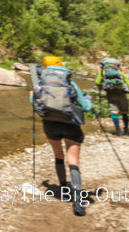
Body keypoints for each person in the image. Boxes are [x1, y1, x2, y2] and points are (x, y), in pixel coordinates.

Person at [30, 55, 94, 217]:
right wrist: (88, 98)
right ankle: (78, 202)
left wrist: (32, 95)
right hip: (70, 125)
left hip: (50, 124)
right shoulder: (70, 83)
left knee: (58, 154)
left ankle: (64, 188)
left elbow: (34, 102)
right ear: (61, 66)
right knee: (73, 160)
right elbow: (86, 107)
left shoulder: (40, 84)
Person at [96, 57, 129, 136]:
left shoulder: (102, 71)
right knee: (124, 112)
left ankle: (118, 130)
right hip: (122, 93)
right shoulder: (120, 71)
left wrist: (101, 88)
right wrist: (128, 89)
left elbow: (97, 82)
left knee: (114, 111)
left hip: (111, 93)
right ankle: (126, 130)